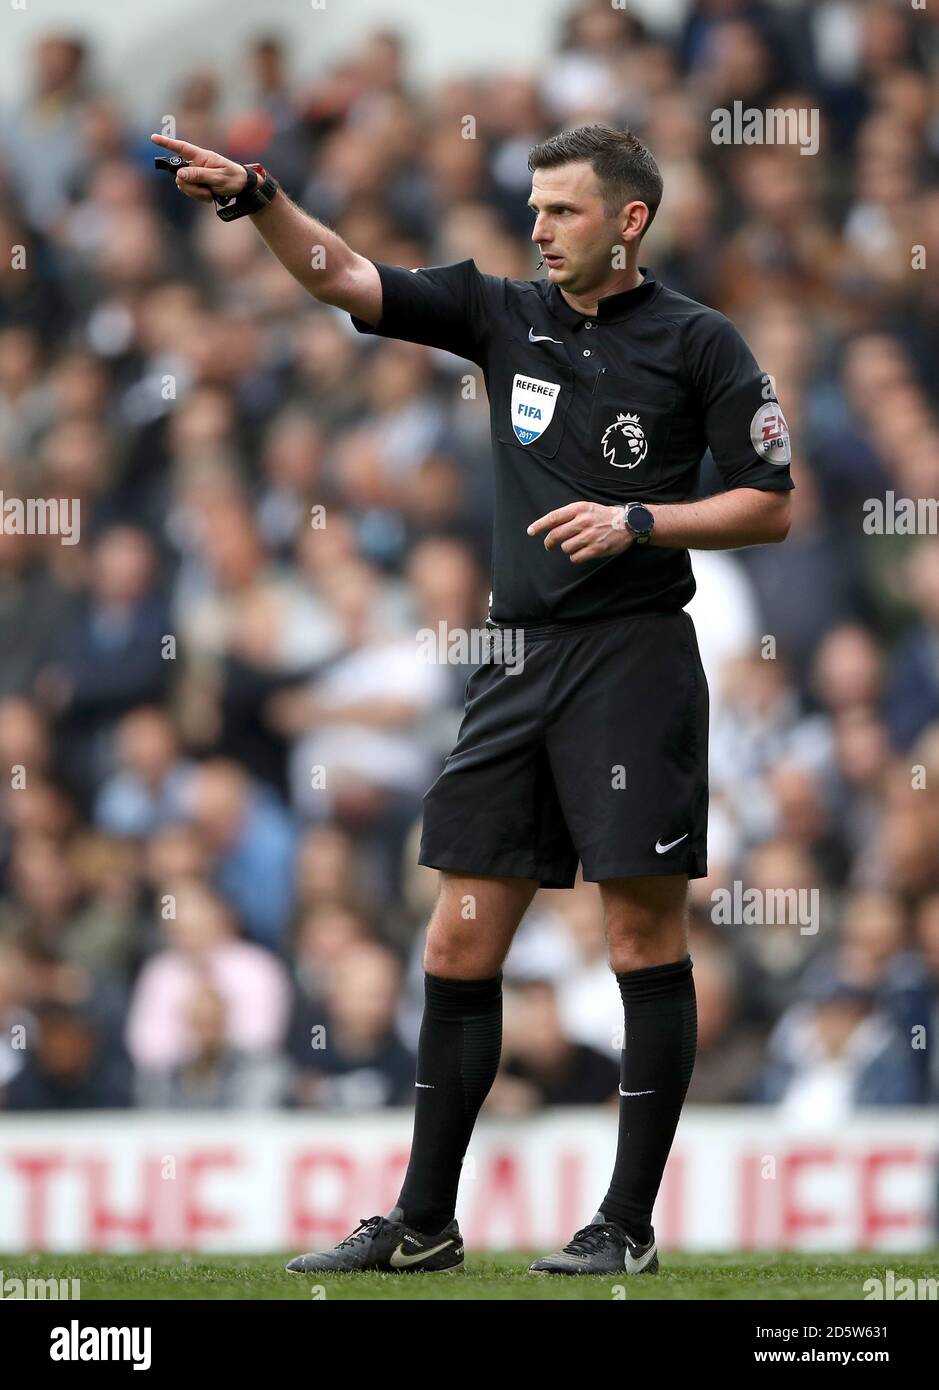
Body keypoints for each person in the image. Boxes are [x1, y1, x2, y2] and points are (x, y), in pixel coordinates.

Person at [153, 120, 793, 1276]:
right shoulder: (506, 314)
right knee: (454, 944)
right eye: (535, 208)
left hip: (635, 657)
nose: (538, 229)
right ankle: (424, 1219)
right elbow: (341, 274)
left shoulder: (702, 342)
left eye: (562, 210)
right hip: (517, 661)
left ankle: (626, 1222)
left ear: (629, 220)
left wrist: (642, 519)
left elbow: (772, 500)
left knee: (641, 930)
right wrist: (259, 200)